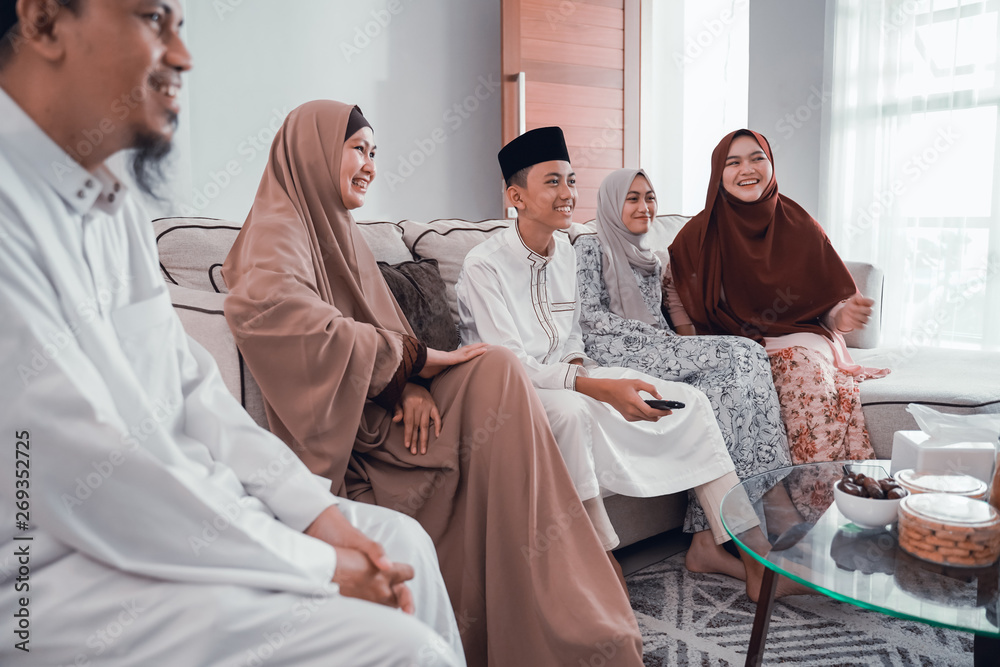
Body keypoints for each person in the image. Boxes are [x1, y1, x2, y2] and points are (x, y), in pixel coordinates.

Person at [0, 1, 464, 665]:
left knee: (403, 545)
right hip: (50, 572)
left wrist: (316, 515)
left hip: (174, 516)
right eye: (153, 18)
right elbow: (88, 471)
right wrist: (316, 561)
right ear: (44, 20)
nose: (182, 56)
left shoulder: (109, 206)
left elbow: (192, 390)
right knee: (402, 649)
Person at [221, 102, 644, 667]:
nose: (370, 164)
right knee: (500, 370)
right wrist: (410, 364)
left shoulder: (340, 230)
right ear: (313, 152)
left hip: (389, 408)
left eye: (375, 152)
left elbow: (383, 333)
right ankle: (553, 613)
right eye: (357, 149)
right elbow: (284, 322)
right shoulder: (275, 234)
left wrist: (410, 384)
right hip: (353, 436)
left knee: (496, 366)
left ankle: (558, 604)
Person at [455, 127, 760, 589]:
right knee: (576, 412)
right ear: (516, 196)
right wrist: (594, 387)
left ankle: (751, 548)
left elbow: (571, 333)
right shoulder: (484, 264)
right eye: (553, 182)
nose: (568, 194)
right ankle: (603, 560)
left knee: (689, 400)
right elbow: (508, 360)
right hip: (505, 388)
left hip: (571, 375)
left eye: (571, 181)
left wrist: (585, 369)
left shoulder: (565, 253)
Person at [575, 167, 796, 585]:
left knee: (724, 384)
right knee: (745, 352)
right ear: (610, 203)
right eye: (633, 198)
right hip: (614, 351)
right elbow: (588, 319)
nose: (645, 206)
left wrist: (680, 339)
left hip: (656, 350)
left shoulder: (650, 258)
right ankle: (777, 512)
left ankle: (706, 545)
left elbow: (672, 321)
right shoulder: (589, 245)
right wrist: (667, 343)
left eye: (650, 197)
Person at [668, 129, 889, 466]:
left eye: (758, 158)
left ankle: (823, 493)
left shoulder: (799, 224)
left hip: (799, 340)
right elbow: (679, 296)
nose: (747, 169)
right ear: (718, 173)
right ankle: (812, 495)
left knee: (801, 376)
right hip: (737, 349)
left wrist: (842, 317)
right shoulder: (695, 237)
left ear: (771, 165)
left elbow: (829, 307)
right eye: (733, 162)